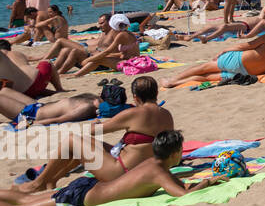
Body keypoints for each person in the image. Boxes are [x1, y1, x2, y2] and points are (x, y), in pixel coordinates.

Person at [9, 76, 175, 194]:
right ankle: (52, 181)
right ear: (156, 94)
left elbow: (96, 130)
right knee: (86, 144)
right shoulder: (167, 114)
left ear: (135, 97)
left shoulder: (135, 113)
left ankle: (38, 184)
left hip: (122, 173)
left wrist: (95, 124)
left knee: (73, 141)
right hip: (146, 168)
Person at [0, 130, 220, 206]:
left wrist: (205, 182)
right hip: (79, 199)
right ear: (175, 153)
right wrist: (210, 180)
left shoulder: (153, 164)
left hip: (87, 186)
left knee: (24, 199)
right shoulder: (158, 172)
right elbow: (183, 196)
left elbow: (182, 187)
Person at [159, 17, 265, 88]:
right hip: (250, 73)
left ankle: (172, 81)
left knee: (203, 68)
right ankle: (178, 83)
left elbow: (244, 46)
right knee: (208, 77)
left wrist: (224, 50)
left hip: (239, 60)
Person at [67, 13, 141, 78]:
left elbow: (107, 51)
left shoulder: (121, 35)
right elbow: (123, 53)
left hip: (130, 64)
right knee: (101, 58)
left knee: (99, 59)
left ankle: (76, 75)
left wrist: (88, 59)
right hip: (132, 61)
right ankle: (77, 74)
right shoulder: (129, 33)